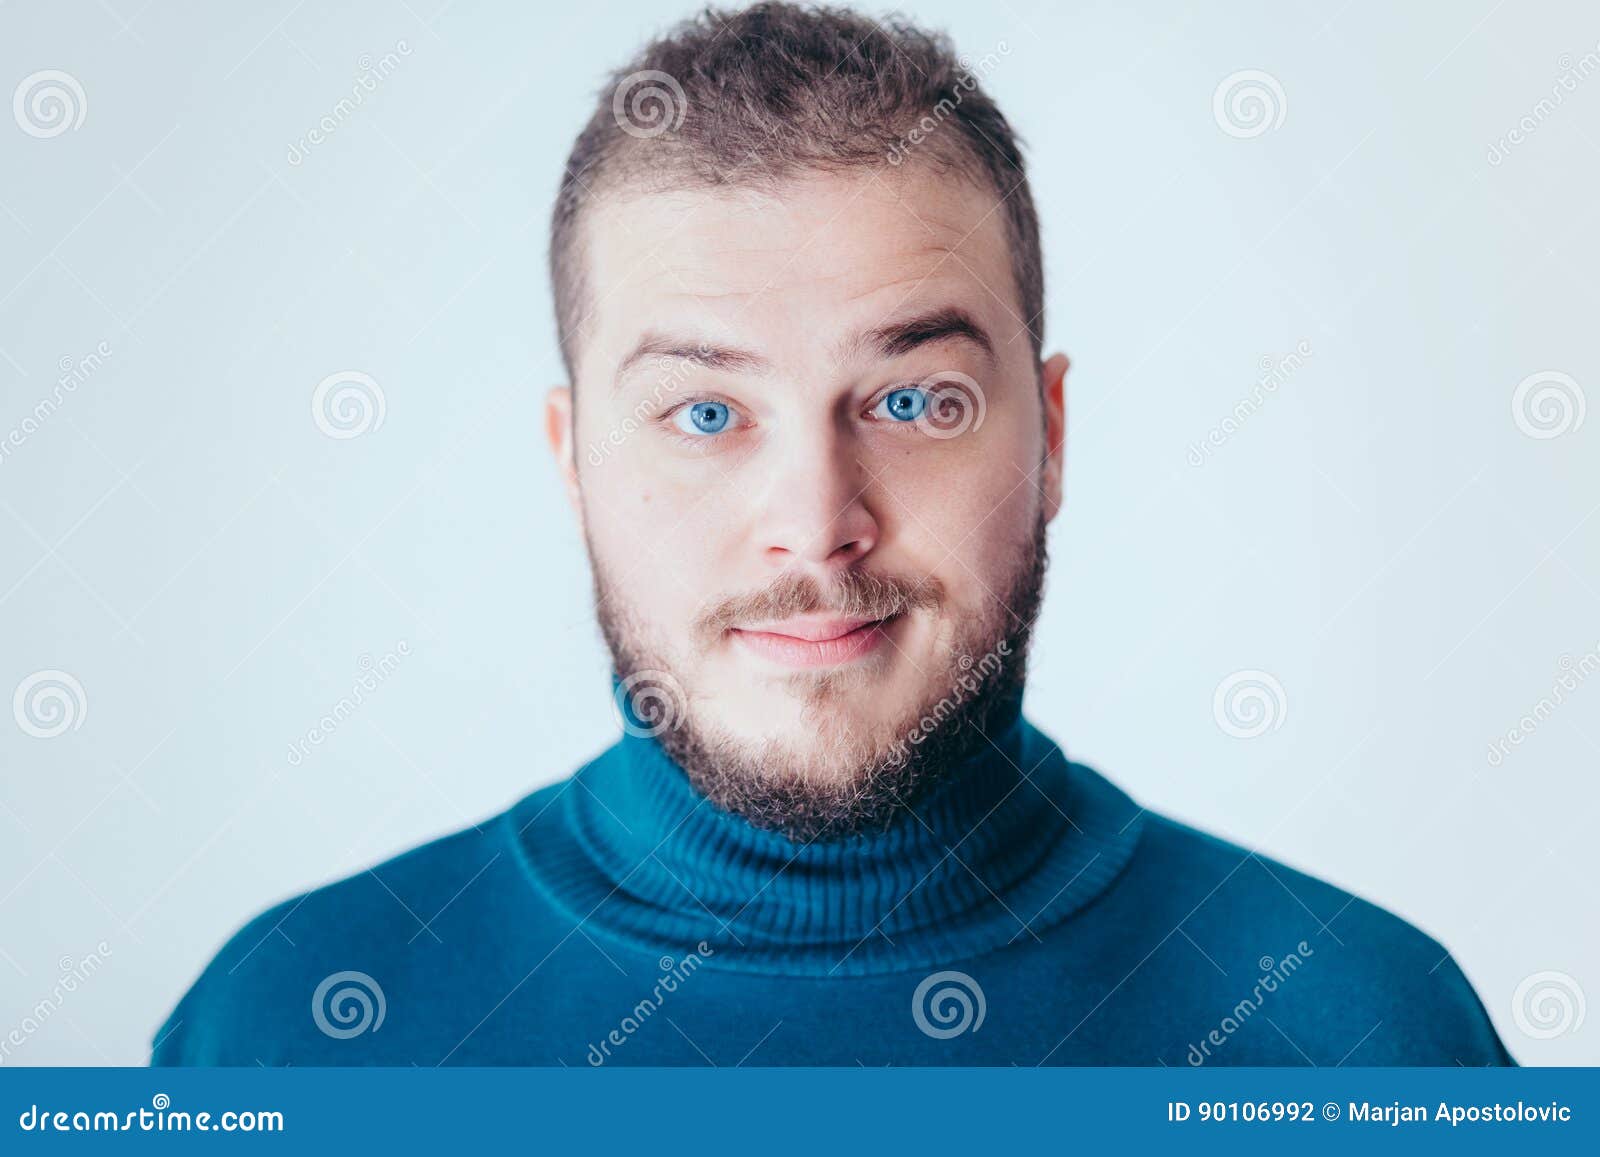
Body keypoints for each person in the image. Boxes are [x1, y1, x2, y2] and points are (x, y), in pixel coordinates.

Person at [153, 1, 1513, 1066]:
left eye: (913, 399)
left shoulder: (1361, 1029)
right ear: (572, 464)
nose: (816, 521)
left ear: (1050, 437)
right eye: (703, 412)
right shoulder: (280, 1032)